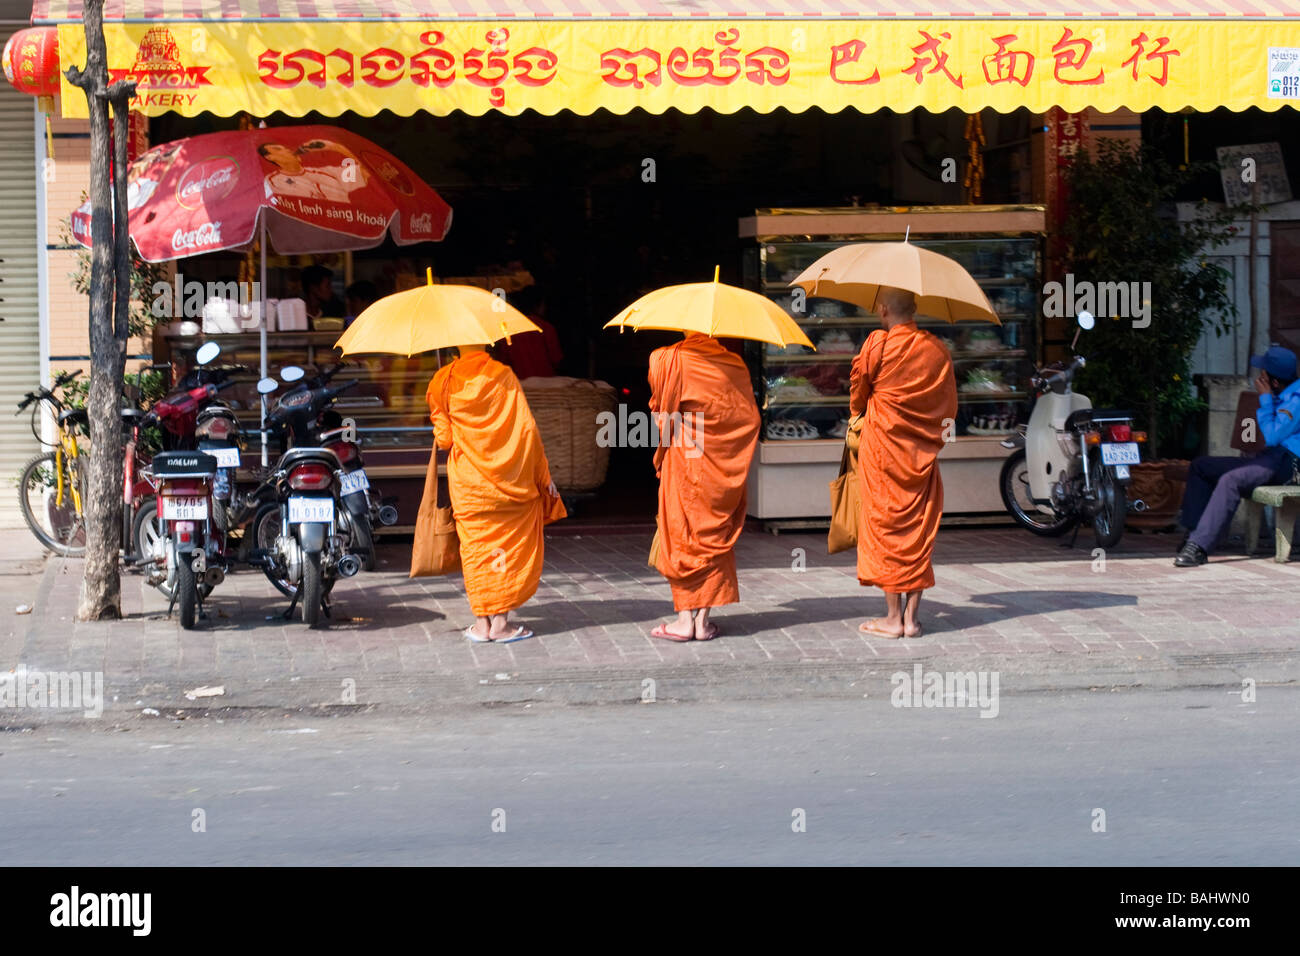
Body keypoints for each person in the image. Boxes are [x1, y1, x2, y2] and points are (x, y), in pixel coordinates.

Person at [423, 345, 566, 642]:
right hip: (509, 483)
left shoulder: (442, 380)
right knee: (504, 551)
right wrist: (543, 476)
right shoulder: (503, 375)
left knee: (476, 552)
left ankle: (482, 624)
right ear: (486, 343)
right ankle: (501, 624)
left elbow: (446, 440)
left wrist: (441, 409)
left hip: (469, 487)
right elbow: (527, 430)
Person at [852, 286, 958, 639]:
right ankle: (912, 620)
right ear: (914, 309)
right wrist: (928, 440)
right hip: (920, 454)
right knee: (916, 529)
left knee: (886, 528)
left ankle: (893, 618)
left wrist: (863, 411)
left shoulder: (877, 345)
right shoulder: (936, 349)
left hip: (883, 451)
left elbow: (857, 393)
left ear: (883, 309)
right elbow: (947, 407)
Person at [647, 333, 760, 641]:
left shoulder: (668, 359)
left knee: (682, 534)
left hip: (686, 462)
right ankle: (702, 621)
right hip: (722, 467)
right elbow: (749, 419)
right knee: (714, 532)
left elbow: (663, 415)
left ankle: (684, 620)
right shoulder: (734, 364)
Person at [1174, 345, 1300, 567]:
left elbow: (1272, 436)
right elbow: (1259, 436)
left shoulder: (1296, 399)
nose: (1258, 375)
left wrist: (1265, 399)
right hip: (1268, 458)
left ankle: (1200, 548)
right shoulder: (1281, 392)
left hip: (1287, 464)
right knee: (1201, 466)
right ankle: (1195, 534)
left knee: (1231, 480)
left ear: (1275, 382)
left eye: (1263, 373)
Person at [258, 139, 368, 203]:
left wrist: (334, 147)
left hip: (342, 232)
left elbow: (366, 171)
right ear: (270, 157)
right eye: (278, 149)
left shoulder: (328, 173)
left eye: (286, 147)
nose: (287, 150)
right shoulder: (273, 182)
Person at [496, 286, 563, 379]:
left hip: (520, 383)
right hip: (547, 383)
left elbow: (503, 362)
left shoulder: (508, 330)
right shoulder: (546, 328)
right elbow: (556, 359)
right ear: (538, 306)